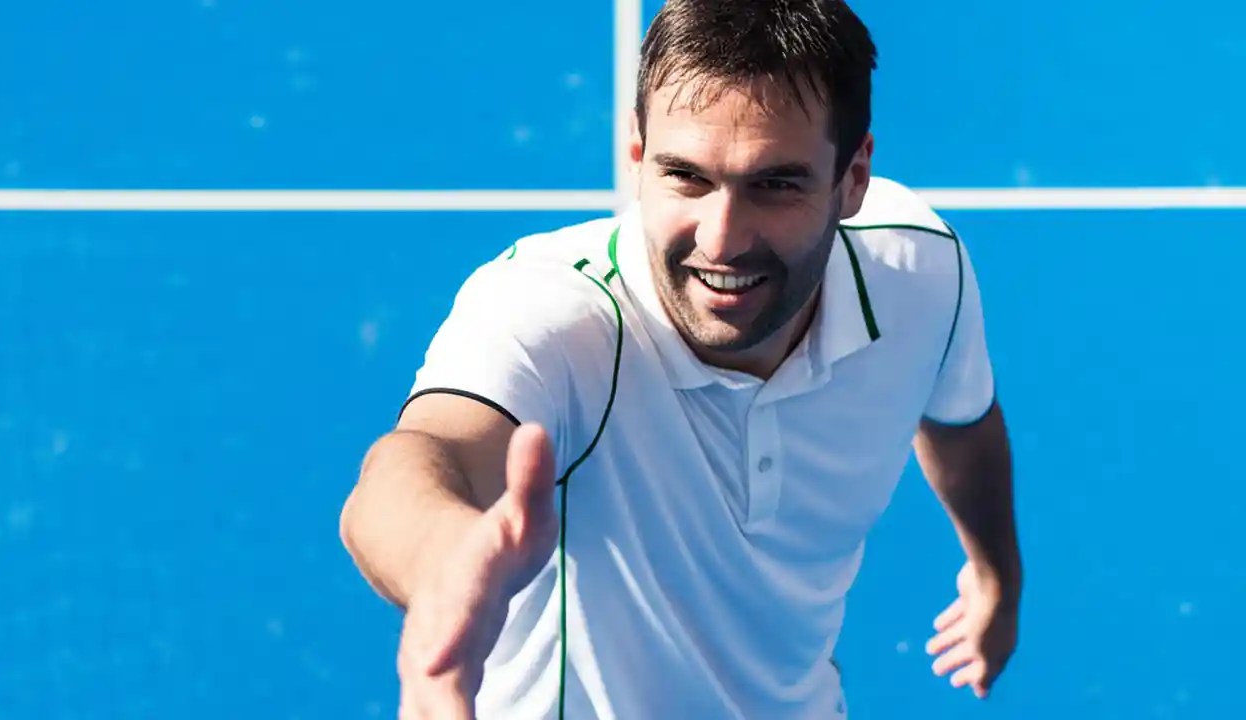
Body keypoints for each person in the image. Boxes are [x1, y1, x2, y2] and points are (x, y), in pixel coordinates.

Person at [339, 0, 1022, 717]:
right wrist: (444, 560)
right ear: (636, 155)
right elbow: (420, 459)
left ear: (853, 179)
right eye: (687, 177)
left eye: (775, 185)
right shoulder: (555, 317)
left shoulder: (919, 273)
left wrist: (995, 574)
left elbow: (959, 422)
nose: (721, 241)